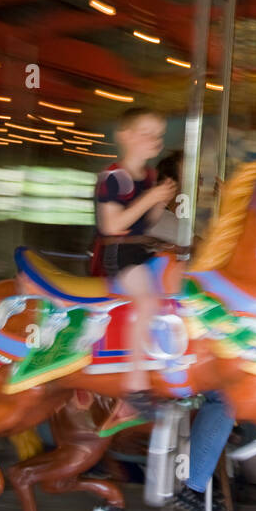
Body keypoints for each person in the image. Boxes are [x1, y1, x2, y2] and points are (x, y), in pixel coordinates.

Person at [93, 107, 177, 432]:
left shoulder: (149, 177)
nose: (155, 139)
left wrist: (157, 203)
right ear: (125, 136)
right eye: (146, 132)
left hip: (142, 249)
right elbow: (112, 225)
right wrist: (150, 199)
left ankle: (171, 373)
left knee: (181, 291)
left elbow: (148, 222)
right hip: (119, 253)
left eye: (158, 134)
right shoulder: (114, 177)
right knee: (147, 301)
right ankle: (135, 385)